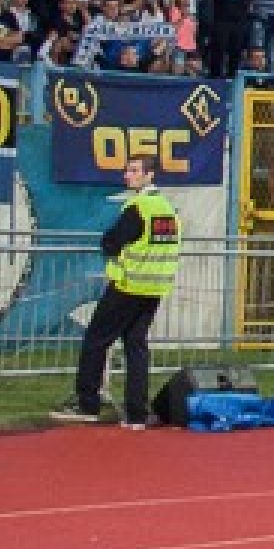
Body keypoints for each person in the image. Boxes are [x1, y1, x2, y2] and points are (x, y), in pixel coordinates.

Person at [52, 154, 182, 428]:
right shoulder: (167, 209)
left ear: (150, 175)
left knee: (96, 340)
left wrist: (109, 242)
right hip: (154, 287)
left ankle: (87, 403)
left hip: (128, 285)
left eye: (134, 170)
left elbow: (112, 242)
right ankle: (136, 413)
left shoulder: (138, 207)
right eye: (127, 170)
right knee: (136, 346)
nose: (127, 175)